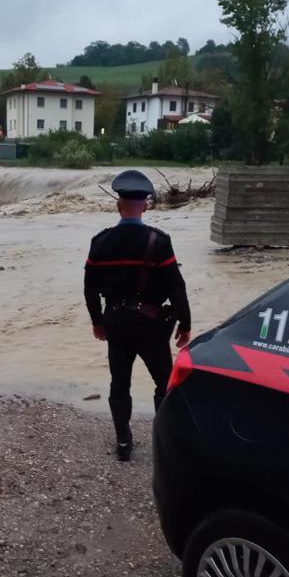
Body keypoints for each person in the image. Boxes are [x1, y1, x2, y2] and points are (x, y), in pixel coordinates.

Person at [84, 170, 191, 461]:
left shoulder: (100, 242)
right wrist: (186, 323)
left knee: (119, 382)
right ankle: (165, 444)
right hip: (152, 325)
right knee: (164, 383)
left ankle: (123, 443)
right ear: (145, 205)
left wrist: (97, 322)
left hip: (116, 324)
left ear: (118, 204)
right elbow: (176, 285)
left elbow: (90, 288)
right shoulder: (159, 242)